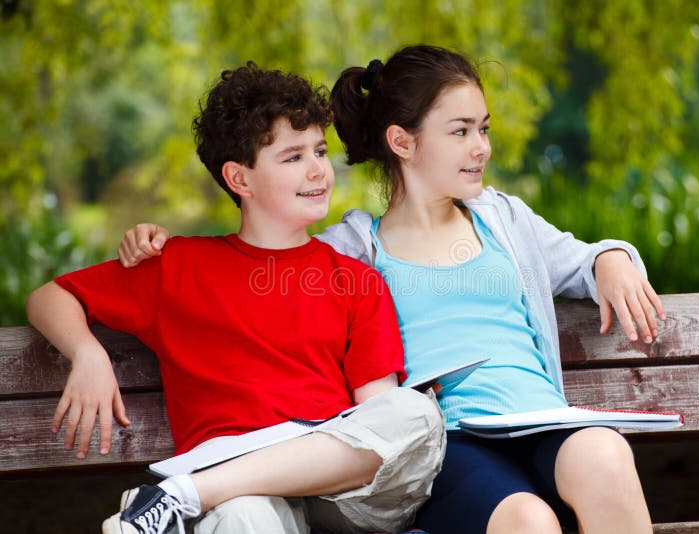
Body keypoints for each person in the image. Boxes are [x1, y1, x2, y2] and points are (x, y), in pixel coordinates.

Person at [119, 46, 665, 534]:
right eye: (460, 131)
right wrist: (157, 246)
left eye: (484, 128)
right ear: (402, 141)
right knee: (529, 521)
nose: (481, 148)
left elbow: (582, 258)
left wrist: (612, 258)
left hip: (542, 420)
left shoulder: (505, 220)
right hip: (448, 447)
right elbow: (265, 255)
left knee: (606, 453)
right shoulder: (352, 250)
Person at [26, 62, 445, 534]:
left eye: (320, 151)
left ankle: (180, 495)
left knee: (418, 416)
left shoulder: (357, 281)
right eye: (292, 157)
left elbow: (377, 415)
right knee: (245, 518)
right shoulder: (176, 266)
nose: (318, 170)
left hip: (341, 496)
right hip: (243, 491)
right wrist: (87, 354)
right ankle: (198, 493)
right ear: (239, 179)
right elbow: (50, 295)